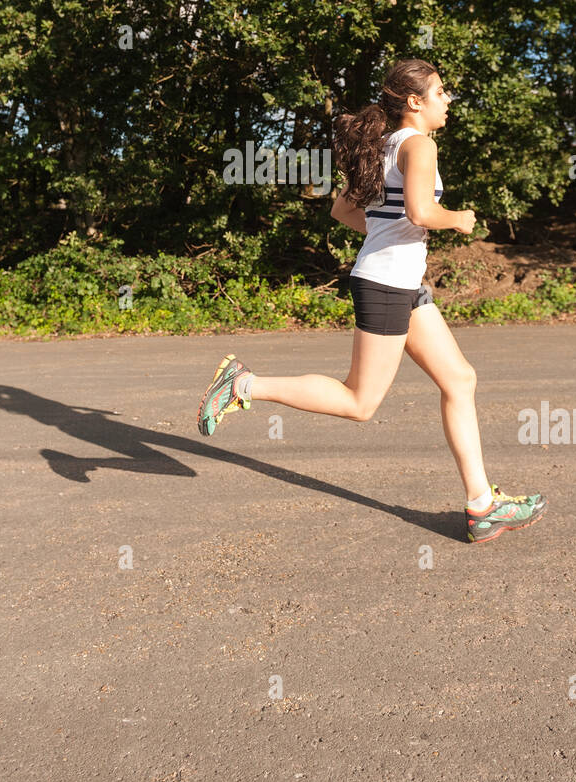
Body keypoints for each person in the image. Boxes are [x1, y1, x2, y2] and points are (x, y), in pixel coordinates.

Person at [196, 57, 547, 544]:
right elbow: (422, 210)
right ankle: (244, 385)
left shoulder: (382, 145)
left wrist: (387, 234)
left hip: (400, 283)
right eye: (441, 92)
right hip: (386, 286)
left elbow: (343, 209)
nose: (448, 101)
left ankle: (481, 506)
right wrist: (459, 218)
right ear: (415, 101)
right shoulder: (419, 145)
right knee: (360, 402)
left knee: (460, 379)